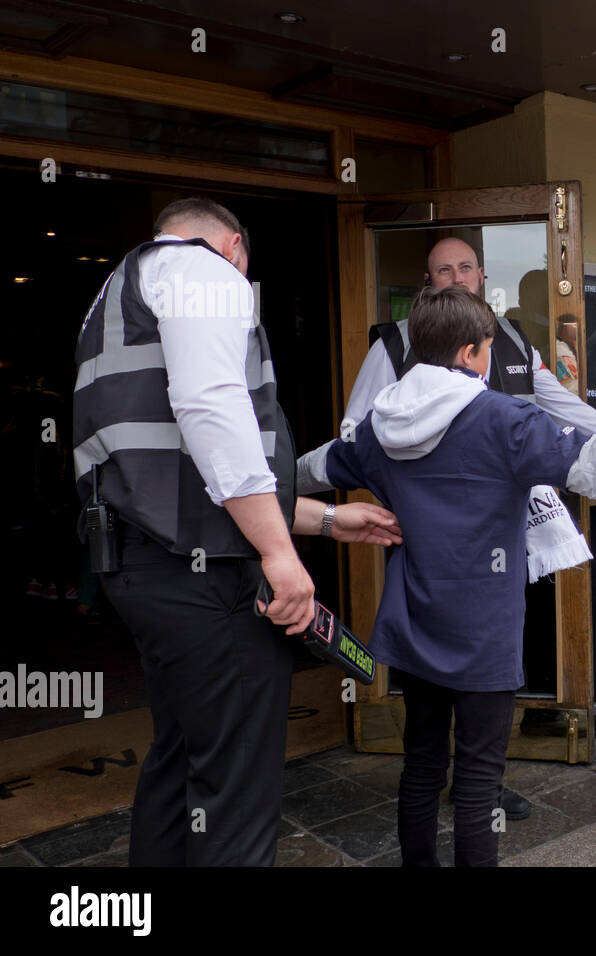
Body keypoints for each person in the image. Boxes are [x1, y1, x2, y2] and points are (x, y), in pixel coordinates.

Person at [320, 286, 596, 866]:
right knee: (476, 780)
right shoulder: (502, 418)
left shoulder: (377, 428)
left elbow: (314, 466)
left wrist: (261, 495)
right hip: (484, 629)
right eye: (490, 347)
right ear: (472, 352)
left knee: (421, 766)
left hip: (415, 620)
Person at [72, 197, 401, 866]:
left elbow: (185, 476)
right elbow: (211, 406)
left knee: (183, 758)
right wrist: (282, 554)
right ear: (233, 247)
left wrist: (331, 521)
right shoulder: (203, 269)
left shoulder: (116, 295)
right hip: (205, 580)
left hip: (147, 568)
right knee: (238, 792)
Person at [298, 235, 596, 821]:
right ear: (428, 282)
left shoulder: (516, 339)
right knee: (444, 701)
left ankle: (484, 786)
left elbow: (560, 404)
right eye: (441, 270)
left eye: (464, 267)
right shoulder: (394, 346)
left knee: (483, 676)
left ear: (481, 275)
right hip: (428, 540)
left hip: (500, 539)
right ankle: (475, 788)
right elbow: (355, 435)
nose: (454, 277)